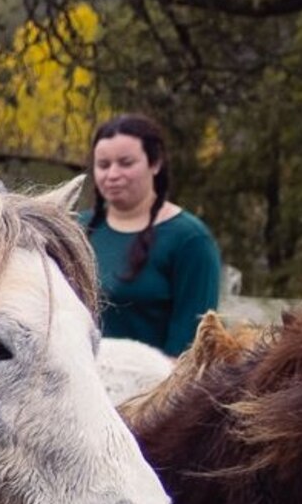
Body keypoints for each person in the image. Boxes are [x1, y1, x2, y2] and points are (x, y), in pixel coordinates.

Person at [84, 113, 225, 356]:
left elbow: (189, 349)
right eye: (103, 165)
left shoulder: (190, 240)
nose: (112, 175)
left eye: (126, 163)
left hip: (152, 386)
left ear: (155, 163)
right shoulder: (76, 229)